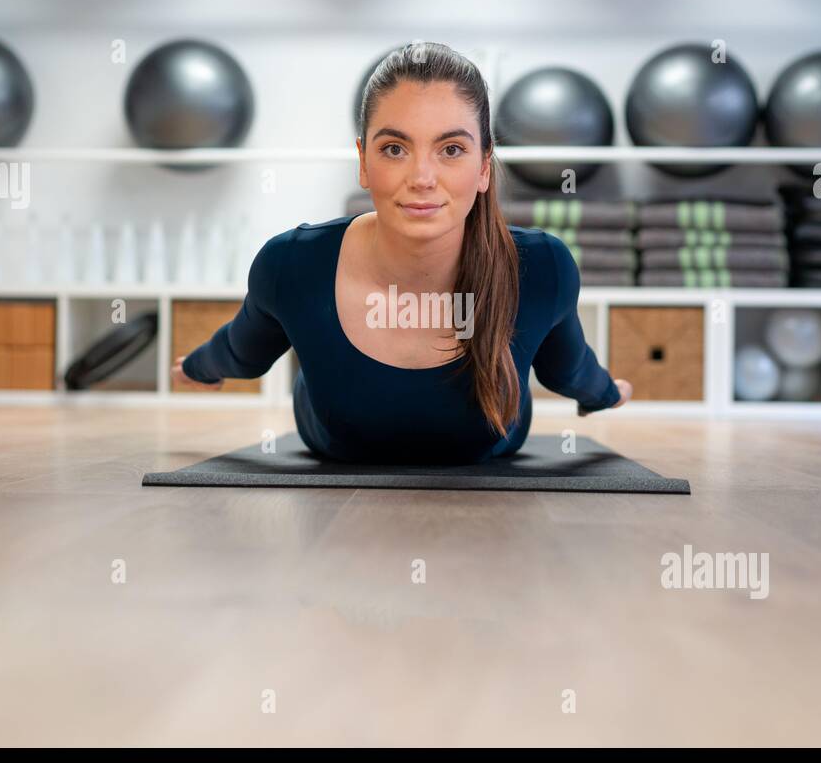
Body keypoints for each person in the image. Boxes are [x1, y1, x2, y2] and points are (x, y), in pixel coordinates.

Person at [172, 41, 631, 465]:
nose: (422, 177)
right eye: (395, 148)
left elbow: (569, 369)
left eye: (451, 149)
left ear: (484, 166)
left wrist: (607, 393)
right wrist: (197, 367)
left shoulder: (542, 267)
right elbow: (240, 350)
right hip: (329, 433)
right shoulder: (293, 264)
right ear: (363, 162)